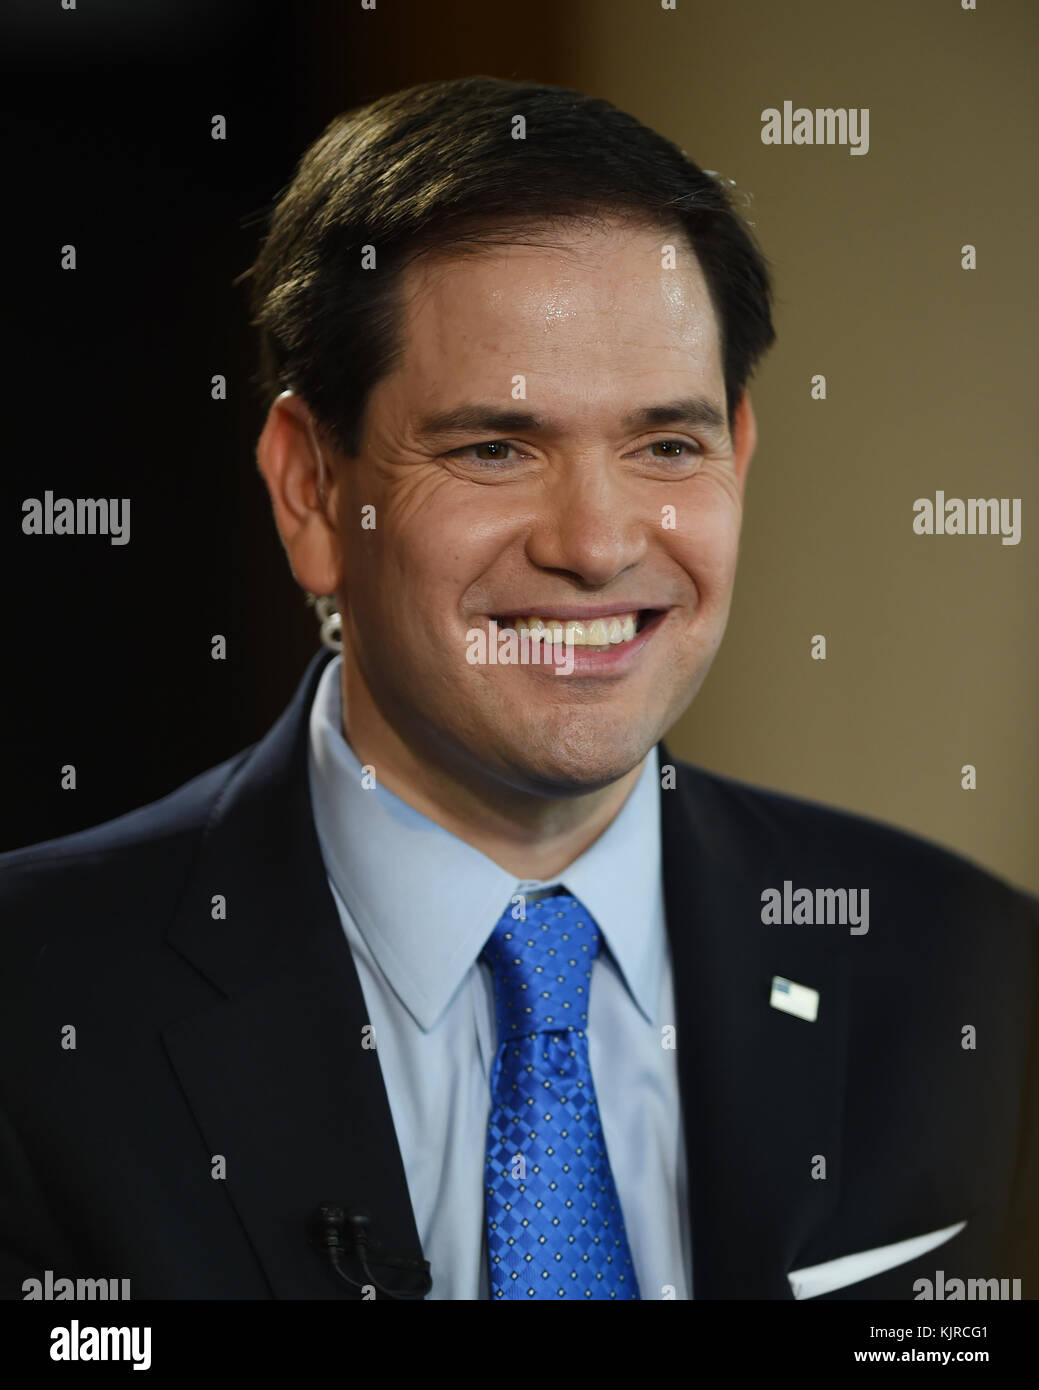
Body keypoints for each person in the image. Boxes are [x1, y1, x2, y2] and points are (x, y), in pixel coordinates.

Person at [2, 76, 1036, 1302]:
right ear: (313, 492)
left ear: (738, 458)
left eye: (666, 444)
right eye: (494, 446)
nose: (596, 545)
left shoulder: (979, 976)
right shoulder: (35, 1013)